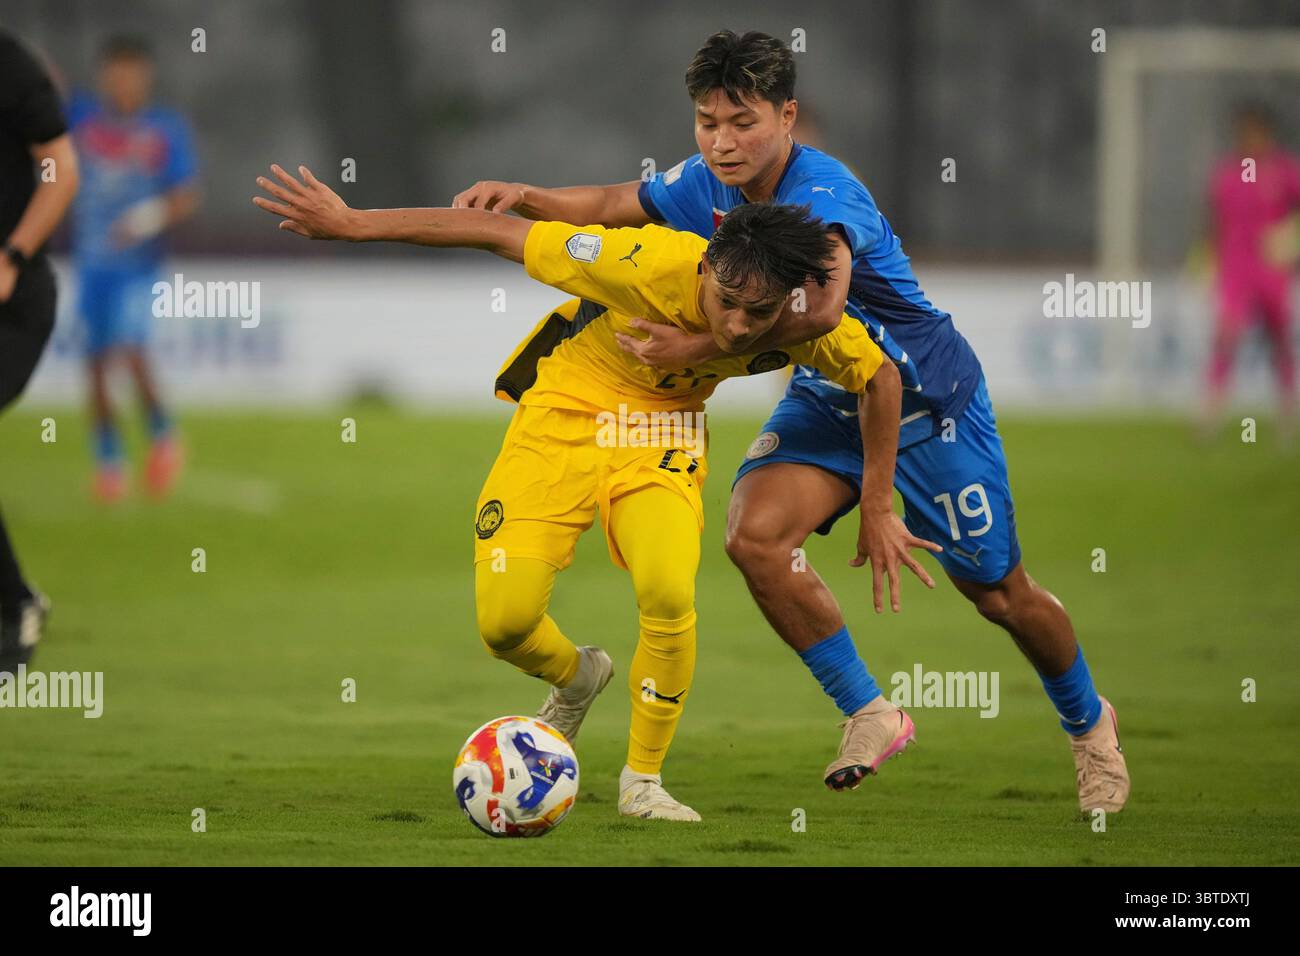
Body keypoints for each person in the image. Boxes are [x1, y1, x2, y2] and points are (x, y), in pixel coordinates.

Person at [452, 29, 1129, 812]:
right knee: (755, 537)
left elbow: (823, 306)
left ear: (787, 117)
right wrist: (524, 196)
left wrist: (701, 341)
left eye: (742, 123)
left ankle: (1091, 728)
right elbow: (613, 205)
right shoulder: (712, 180)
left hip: (924, 400)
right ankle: (870, 711)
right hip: (828, 395)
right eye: (708, 122)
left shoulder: (823, 193)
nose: (722, 140)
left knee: (998, 593)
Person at [253, 163, 921, 820]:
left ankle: (644, 782)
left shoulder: (805, 321)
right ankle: (576, 677)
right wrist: (350, 223)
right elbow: (496, 233)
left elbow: (881, 378)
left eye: (760, 312)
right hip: (563, 418)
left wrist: (877, 502)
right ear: (703, 271)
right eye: (728, 304)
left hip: (664, 435)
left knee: (667, 588)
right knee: (505, 623)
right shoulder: (641, 259)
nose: (741, 327)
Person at [68, 36, 199, 501]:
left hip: (138, 267)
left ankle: (164, 436)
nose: (124, 82)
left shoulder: (163, 129)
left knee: (132, 348)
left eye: (132, 72)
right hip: (92, 264)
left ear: (146, 77)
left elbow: (185, 196)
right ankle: (109, 461)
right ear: (105, 74)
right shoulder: (80, 119)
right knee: (95, 365)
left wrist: (145, 220)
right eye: (116, 72)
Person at [0, 30, 80, 673]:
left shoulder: (12, 63)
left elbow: (61, 170)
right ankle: (16, 598)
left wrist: (12, 255)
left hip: (13, 298)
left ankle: (15, 603)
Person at [1205, 103, 1300, 442]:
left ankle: (1286, 418)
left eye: (1254, 132)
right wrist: (1206, 259)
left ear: (1267, 133)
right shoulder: (1227, 174)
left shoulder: (1285, 170)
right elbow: (1214, 222)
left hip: (1271, 268)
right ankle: (1210, 416)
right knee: (1226, 337)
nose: (1248, 139)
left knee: (1280, 341)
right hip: (1235, 267)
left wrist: (1290, 236)